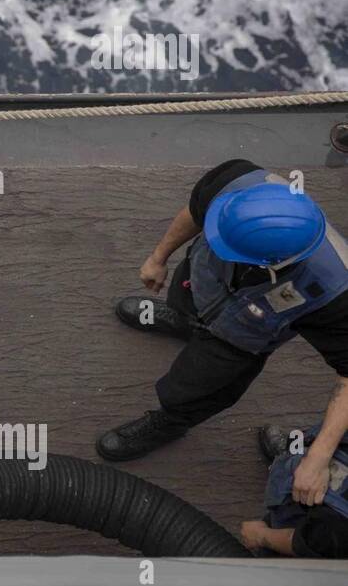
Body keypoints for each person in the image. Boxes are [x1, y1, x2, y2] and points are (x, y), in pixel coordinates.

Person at [100, 160, 348, 483]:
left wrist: (318, 456)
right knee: (182, 301)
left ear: (270, 265)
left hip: (239, 340)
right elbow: (195, 208)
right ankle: (184, 322)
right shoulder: (238, 180)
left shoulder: (335, 292)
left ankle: (170, 421)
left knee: (192, 391)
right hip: (200, 285)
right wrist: (157, 257)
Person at [239, 424, 348, 558]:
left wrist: (260, 536)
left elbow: (303, 542)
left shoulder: (335, 534)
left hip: (320, 530)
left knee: (300, 546)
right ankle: (288, 456)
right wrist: (319, 455)